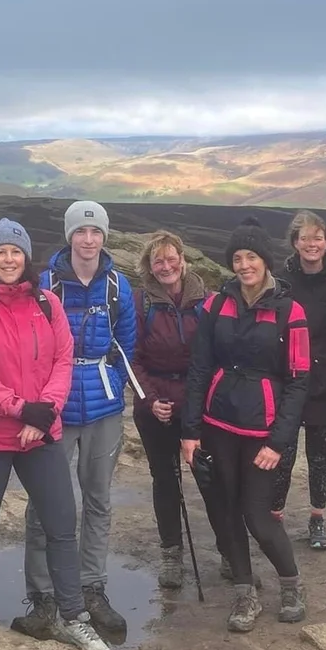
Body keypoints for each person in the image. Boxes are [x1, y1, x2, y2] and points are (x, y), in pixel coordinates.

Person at [0, 219, 114, 650]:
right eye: (0, 252)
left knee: (62, 524)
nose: (8, 260)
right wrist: (19, 408)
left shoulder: (47, 303)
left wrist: (44, 412)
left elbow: (64, 359)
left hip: (40, 431)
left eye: (16, 252)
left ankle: (73, 617)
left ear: (27, 258)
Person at [181, 217, 312, 633]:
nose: (243, 265)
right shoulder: (217, 305)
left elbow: (299, 380)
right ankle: (244, 593)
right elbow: (200, 368)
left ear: (265, 261)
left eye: (250, 256)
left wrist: (279, 441)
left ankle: (291, 584)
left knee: (257, 515)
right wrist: (190, 430)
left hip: (262, 433)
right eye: (237, 258)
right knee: (224, 512)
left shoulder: (290, 312)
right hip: (218, 425)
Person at [14, 201, 137, 637]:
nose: (88, 240)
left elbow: (126, 346)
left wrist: (114, 383)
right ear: (69, 236)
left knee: (99, 500)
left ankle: (91, 587)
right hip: (55, 408)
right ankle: (43, 596)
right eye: (81, 232)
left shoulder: (118, 287)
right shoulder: (45, 284)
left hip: (103, 408)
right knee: (46, 502)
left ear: (104, 237)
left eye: (96, 232)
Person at [129, 230, 211, 589]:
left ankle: (228, 548)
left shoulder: (207, 302)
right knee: (165, 479)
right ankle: (171, 554)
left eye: (170, 258)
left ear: (183, 259)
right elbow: (131, 359)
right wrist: (151, 400)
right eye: (157, 260)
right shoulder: (138, 303)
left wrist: (197, 402)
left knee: (211, 478)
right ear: (149, 267)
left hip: (198, 402)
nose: (166, 266)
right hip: (155, 403)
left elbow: (212, 357)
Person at [272, 211, 326, 549]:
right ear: (294, 243)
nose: (311, 244)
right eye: (305, 238)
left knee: (319, 455)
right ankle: (274, 517)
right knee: (282, 454)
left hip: (324, 378)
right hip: (285, 378)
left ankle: (317, 519)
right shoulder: (279, 281)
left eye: (317, 237)